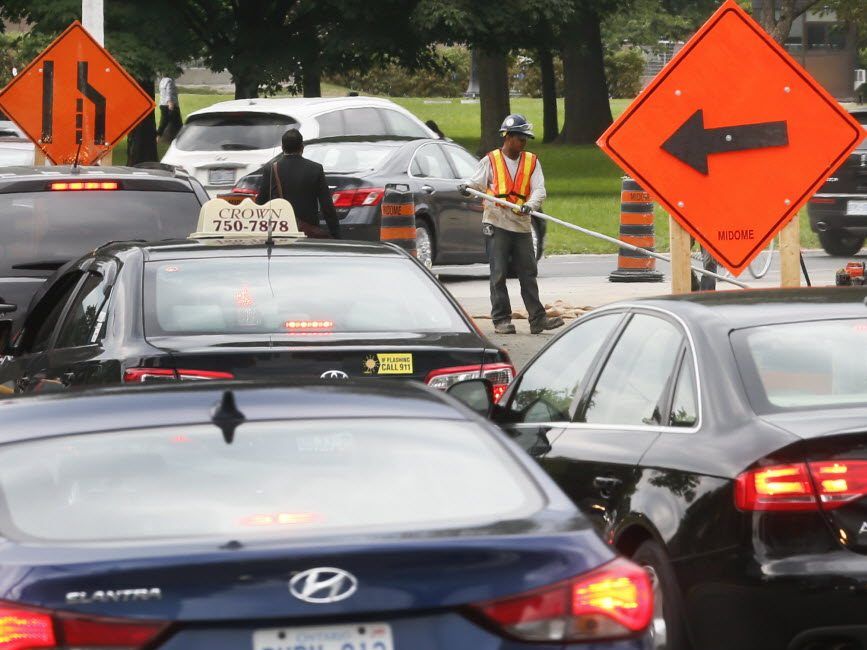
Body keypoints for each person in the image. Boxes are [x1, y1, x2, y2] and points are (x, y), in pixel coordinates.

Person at [460, 114, 564, 335]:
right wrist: (466, 186)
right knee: (498, 273)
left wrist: (530, 204)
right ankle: (501, 320)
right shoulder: (491, 160)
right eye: (520, 138)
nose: (523, 143)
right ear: (508, 137)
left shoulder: (531, 162)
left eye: (525, 139)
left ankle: (538, 319)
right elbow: (475, 183)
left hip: (521, 224)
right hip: (496, 222)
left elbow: (539, 190)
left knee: (528, 272)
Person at [255, 129, 340, 239]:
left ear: (282, 147)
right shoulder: (315, 169)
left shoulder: (270, 169)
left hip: (281, 231)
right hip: (308, 233)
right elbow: (327, 206)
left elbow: (261, 203)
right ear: (302, 147)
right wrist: (336, 235)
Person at [156, 75, 183, 144]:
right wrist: (170, 104)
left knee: (164, 122)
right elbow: (169, 93)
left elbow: (163, 93)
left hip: (163, 104)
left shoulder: (162, 81)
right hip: (171, 105)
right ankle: (158, 138)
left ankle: (161, 138)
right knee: (177, 124)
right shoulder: (169, 81)